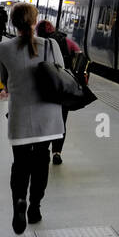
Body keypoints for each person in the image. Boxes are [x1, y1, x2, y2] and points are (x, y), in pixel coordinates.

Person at [0, 3, 65, 234]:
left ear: (13, 23)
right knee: (41, 161)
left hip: (20, 116)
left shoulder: (4, 48)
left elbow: (4, 81)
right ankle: (34, 207)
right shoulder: (51, 45)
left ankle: (19, 201)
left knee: (20, 163)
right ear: (35, 22)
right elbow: (61, 74)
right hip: (47, 115)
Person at [38, 19, 81, 166]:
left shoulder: (37, 43)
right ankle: (57, 152)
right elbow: (78, 53)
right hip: (63, 87)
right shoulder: (65, 41)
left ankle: (42, 149)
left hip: (43, 88)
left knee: (44, 120)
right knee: (61, 121)